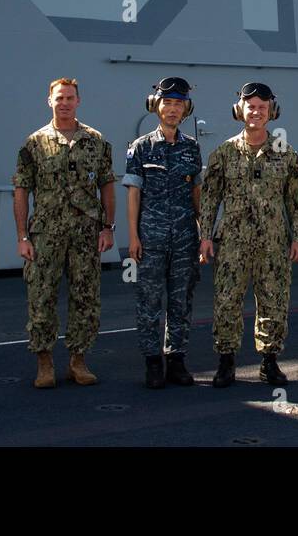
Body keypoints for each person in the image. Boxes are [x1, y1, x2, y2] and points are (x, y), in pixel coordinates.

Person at [200, 82, 298, 388]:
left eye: (262, 107)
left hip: (273, 243)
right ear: (240, 111)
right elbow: (209, 198)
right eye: (251, 107)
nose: (256, 112)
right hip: (232, 242)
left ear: (270, 111)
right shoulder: (223, 153)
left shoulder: (285, 153)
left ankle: (269, 362)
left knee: (273, 302)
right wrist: (205, 236)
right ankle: (226, 362)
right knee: (227, 302)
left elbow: (296, 201)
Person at [13, 78, 116, 389]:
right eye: (59, 98)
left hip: (86, 234)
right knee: (40, 297)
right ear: (50, 101)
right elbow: (21, 190)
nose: (65, 103)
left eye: (70, 98)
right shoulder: (34, 143)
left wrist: (108, 228)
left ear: (78, 101)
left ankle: (78, 360)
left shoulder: (96, 141)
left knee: (86, 298)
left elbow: (107, 185)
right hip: (45, 235)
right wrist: (22, 236)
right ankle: (44, 362)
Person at [124, 77, 202, 390]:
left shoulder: (192, 147)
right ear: (156, 105)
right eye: (167, 103)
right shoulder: (141, 147)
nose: (172, 109)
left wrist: (203, 234)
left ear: (186, 109)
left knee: (181, 301)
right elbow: (133, 194)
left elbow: (197, 193)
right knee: (149, 302)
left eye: (178, 104)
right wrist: (133, 236)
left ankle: (177, 360)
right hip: (151, 239)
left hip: (185, 239)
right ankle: (152, 362)